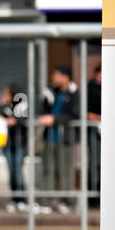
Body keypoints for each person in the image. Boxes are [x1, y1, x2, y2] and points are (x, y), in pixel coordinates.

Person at [38, 66, 79, 212]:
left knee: (65, 170)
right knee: (47, 169)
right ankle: (45, 201)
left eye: (56, 75)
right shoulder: (51, 92)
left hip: (65, 138)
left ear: (65, 77)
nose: (53, 78)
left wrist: (54, 119)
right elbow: (42, 111)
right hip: (49, 137)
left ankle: (66, 201)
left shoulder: (74, 94)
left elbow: (74, 114)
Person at [0, 84, 28, 211]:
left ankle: (21, 199)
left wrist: (14, 121)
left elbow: (23, 119)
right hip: (7, 144)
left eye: (7, 93)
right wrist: (2, 105)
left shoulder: (20, 104)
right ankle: (14, 199)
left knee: (18, 172)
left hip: (19, 143)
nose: (5, 95)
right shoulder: (4, 107)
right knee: (11, 173)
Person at [86, 64, 101, 206]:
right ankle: (93, 196)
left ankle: (100, 194)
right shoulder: (90, 88)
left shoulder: (109, 87)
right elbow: (87, 112)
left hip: (105, 130)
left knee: (103, 164)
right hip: (94, 130)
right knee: (95, 162)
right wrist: (98, 118)